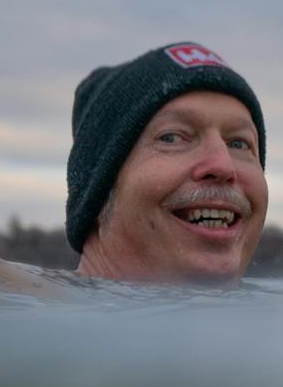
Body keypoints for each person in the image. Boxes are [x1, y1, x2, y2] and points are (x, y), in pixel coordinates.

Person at [66, 42, 269, 284]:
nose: (223, 166)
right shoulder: (21, 304)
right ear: (97, 192)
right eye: (171, 137)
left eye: (238, 143)